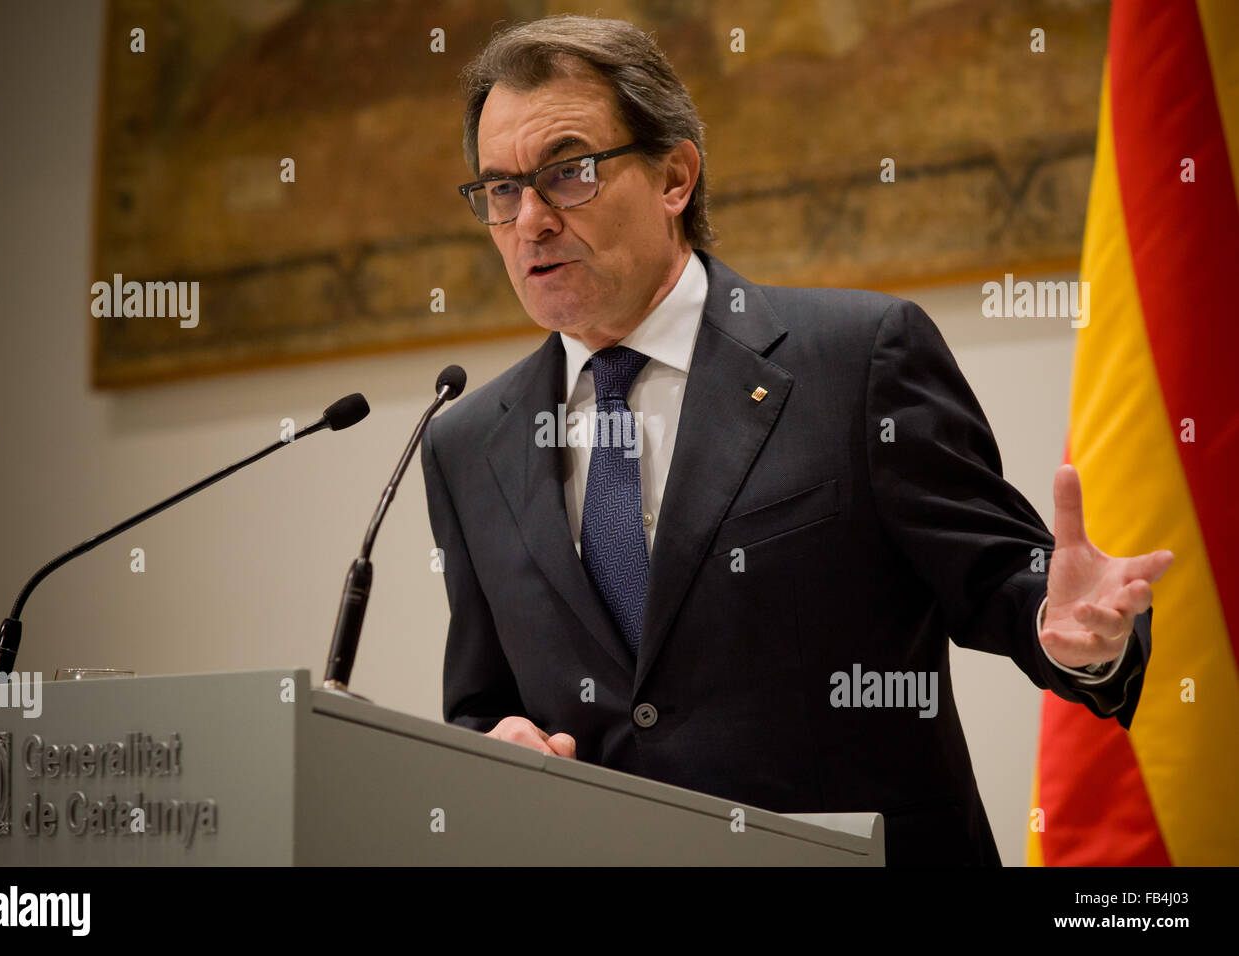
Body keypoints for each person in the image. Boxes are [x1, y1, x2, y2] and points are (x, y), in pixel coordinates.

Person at [419, 15, 1173, 866]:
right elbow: (484, 708)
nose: (532, 220)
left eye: (568, 172)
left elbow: (1007, 581)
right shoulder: (468, 444)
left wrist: (1071, 625)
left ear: (675, 175)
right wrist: (500, 748)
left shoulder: (857, 357)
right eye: (501, 189)